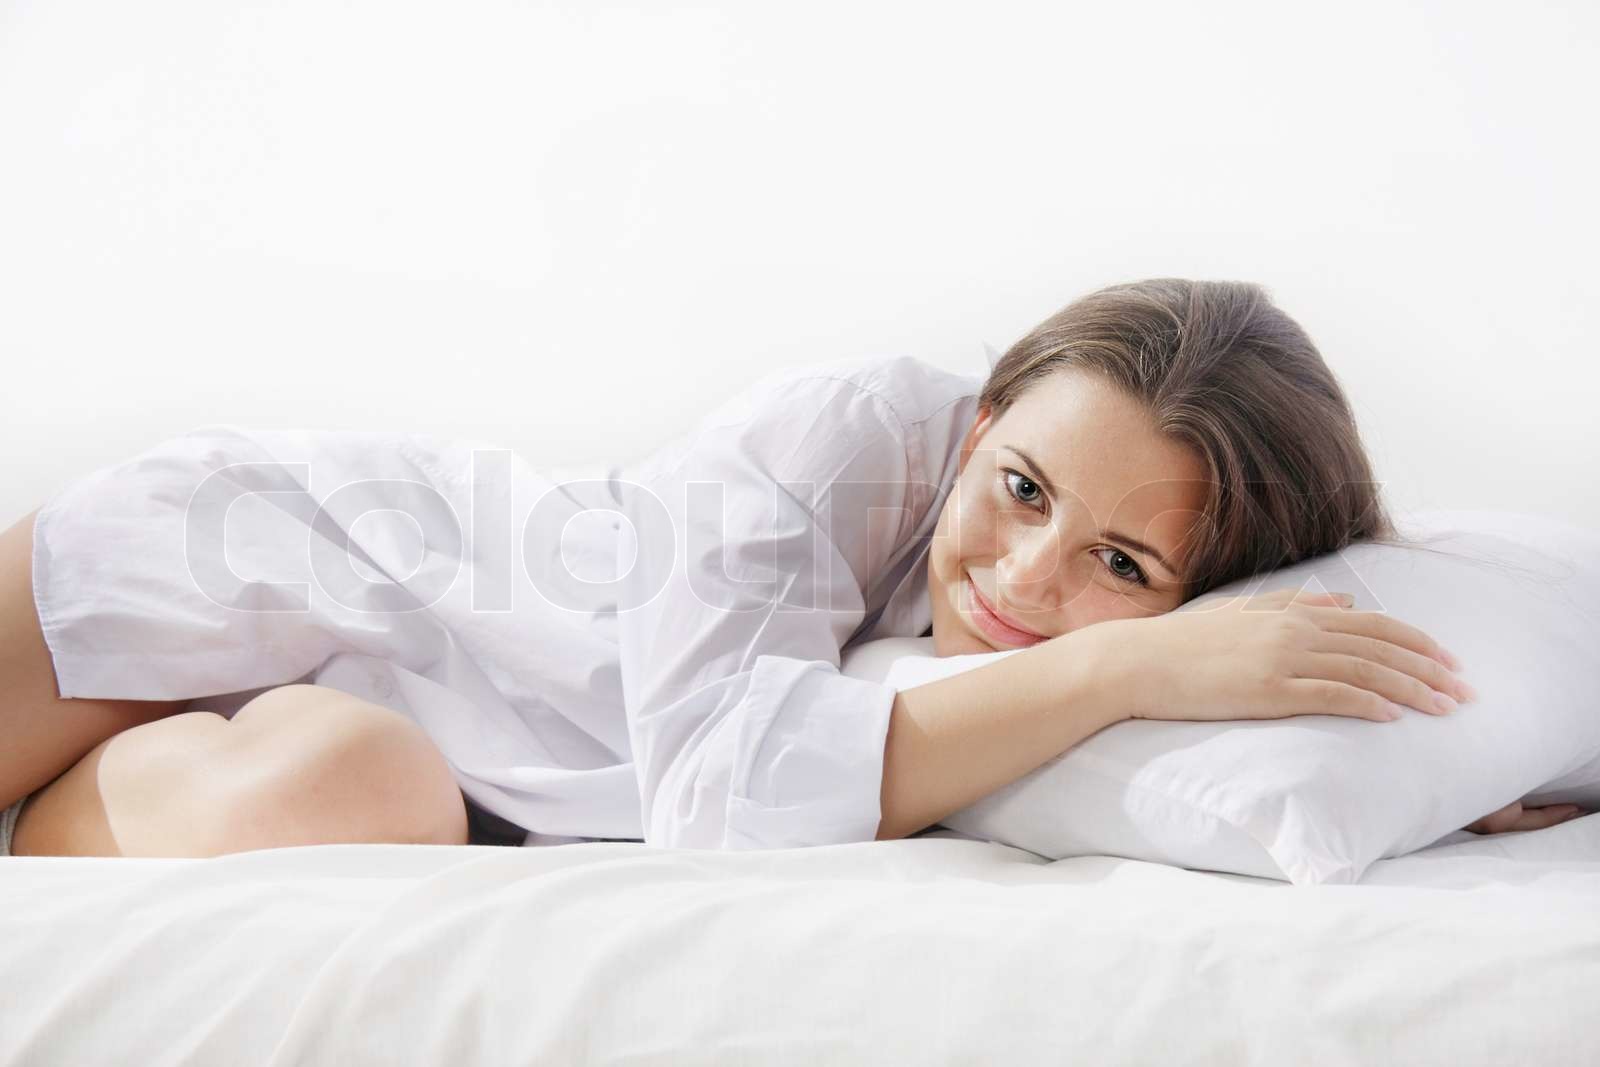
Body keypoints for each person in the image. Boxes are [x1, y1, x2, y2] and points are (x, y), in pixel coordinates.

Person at [0, 278, 1581, 858]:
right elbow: (709, 796)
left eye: (1120, 562)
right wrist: (1124, 659)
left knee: (351, 787)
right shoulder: (836, 441)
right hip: (280, 560)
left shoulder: (1208, 597)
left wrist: (1441, 778)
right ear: (975, 429)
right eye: (1019, 487)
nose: (1024, 580)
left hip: (395, 735)